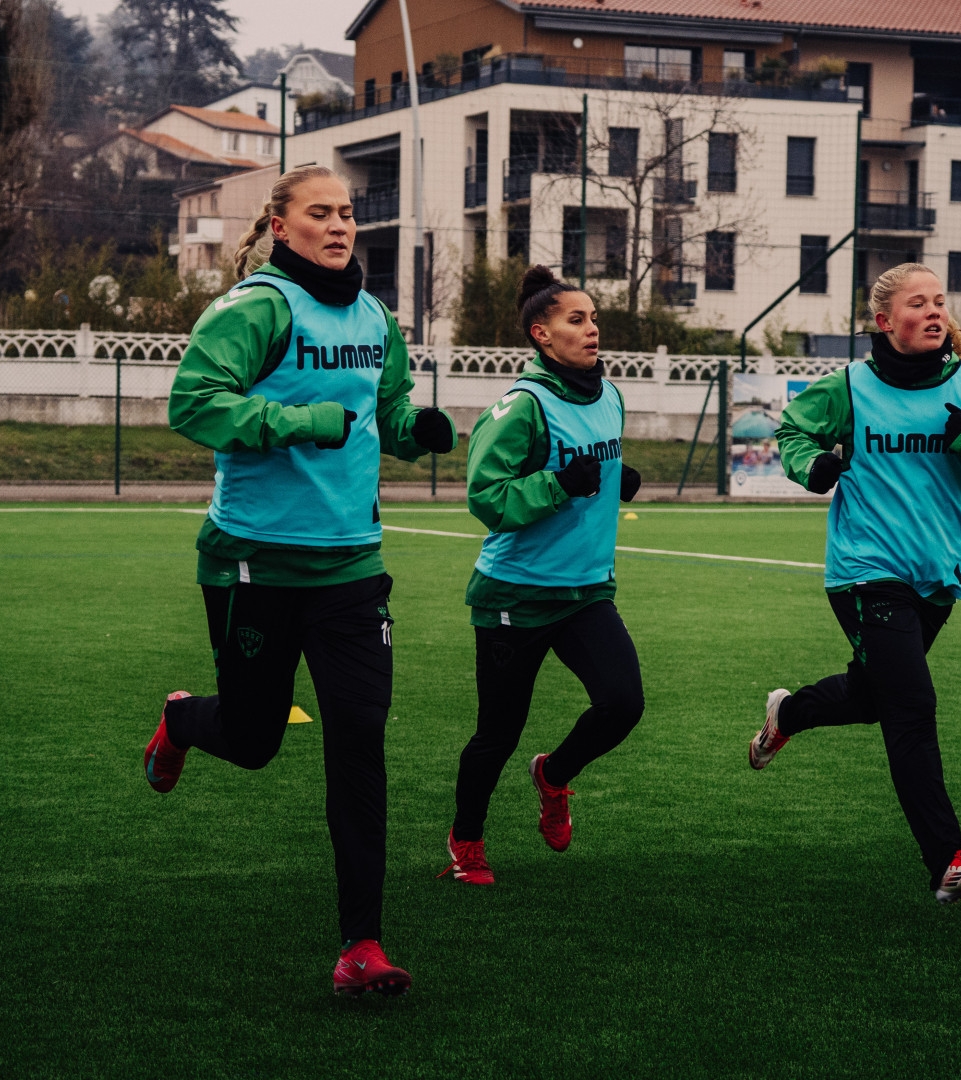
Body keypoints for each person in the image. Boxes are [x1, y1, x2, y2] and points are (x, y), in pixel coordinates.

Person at [140, 165, 457, 997]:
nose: (341, 225)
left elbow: (382, 412)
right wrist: (292, 423)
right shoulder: (256, 310)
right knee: (252, 740)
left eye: (348, 212)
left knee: (359, 743)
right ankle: (182, 723)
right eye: (321, 213)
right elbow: (193, 404)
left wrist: (413, 429)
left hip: (353, 569)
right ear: (280, 226)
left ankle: (363, 944)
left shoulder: (376, 317)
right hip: (254, 565)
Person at [747, 263, 961, 904]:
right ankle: (947, 861)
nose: (935, 312)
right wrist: (813, 464)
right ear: (885, 321)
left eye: (940, 301)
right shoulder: (848, 388)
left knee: (872, 696)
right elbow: (793, 431)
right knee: (911, 707)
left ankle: (787, 714)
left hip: (937, 578)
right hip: (863, 573)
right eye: (918, 303)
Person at [442, 265, 645, 886]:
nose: (592, 330)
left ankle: (553, 775)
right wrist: (557, 485)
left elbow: (594, 468)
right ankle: (466, 844)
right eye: (575, 320)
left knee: (623, 704)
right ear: (541, 334)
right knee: (496, 735)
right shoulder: (521, 406)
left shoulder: (609, 394)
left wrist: (619, 478)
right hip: (515, 595)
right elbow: (486, 497)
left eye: (593, 318)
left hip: (585, 591)